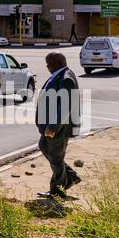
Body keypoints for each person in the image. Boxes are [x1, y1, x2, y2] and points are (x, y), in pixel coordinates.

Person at [35, 51, 82, 200]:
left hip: (59, 128)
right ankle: (70, 176)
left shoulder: (66, 79)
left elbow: (65, 107)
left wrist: (53, 127)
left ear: (57, 64)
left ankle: (57, 190)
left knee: (55, 157)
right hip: (53, 126)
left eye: (49, 64)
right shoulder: (60, 75)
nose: (47, 66)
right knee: (44, 147)